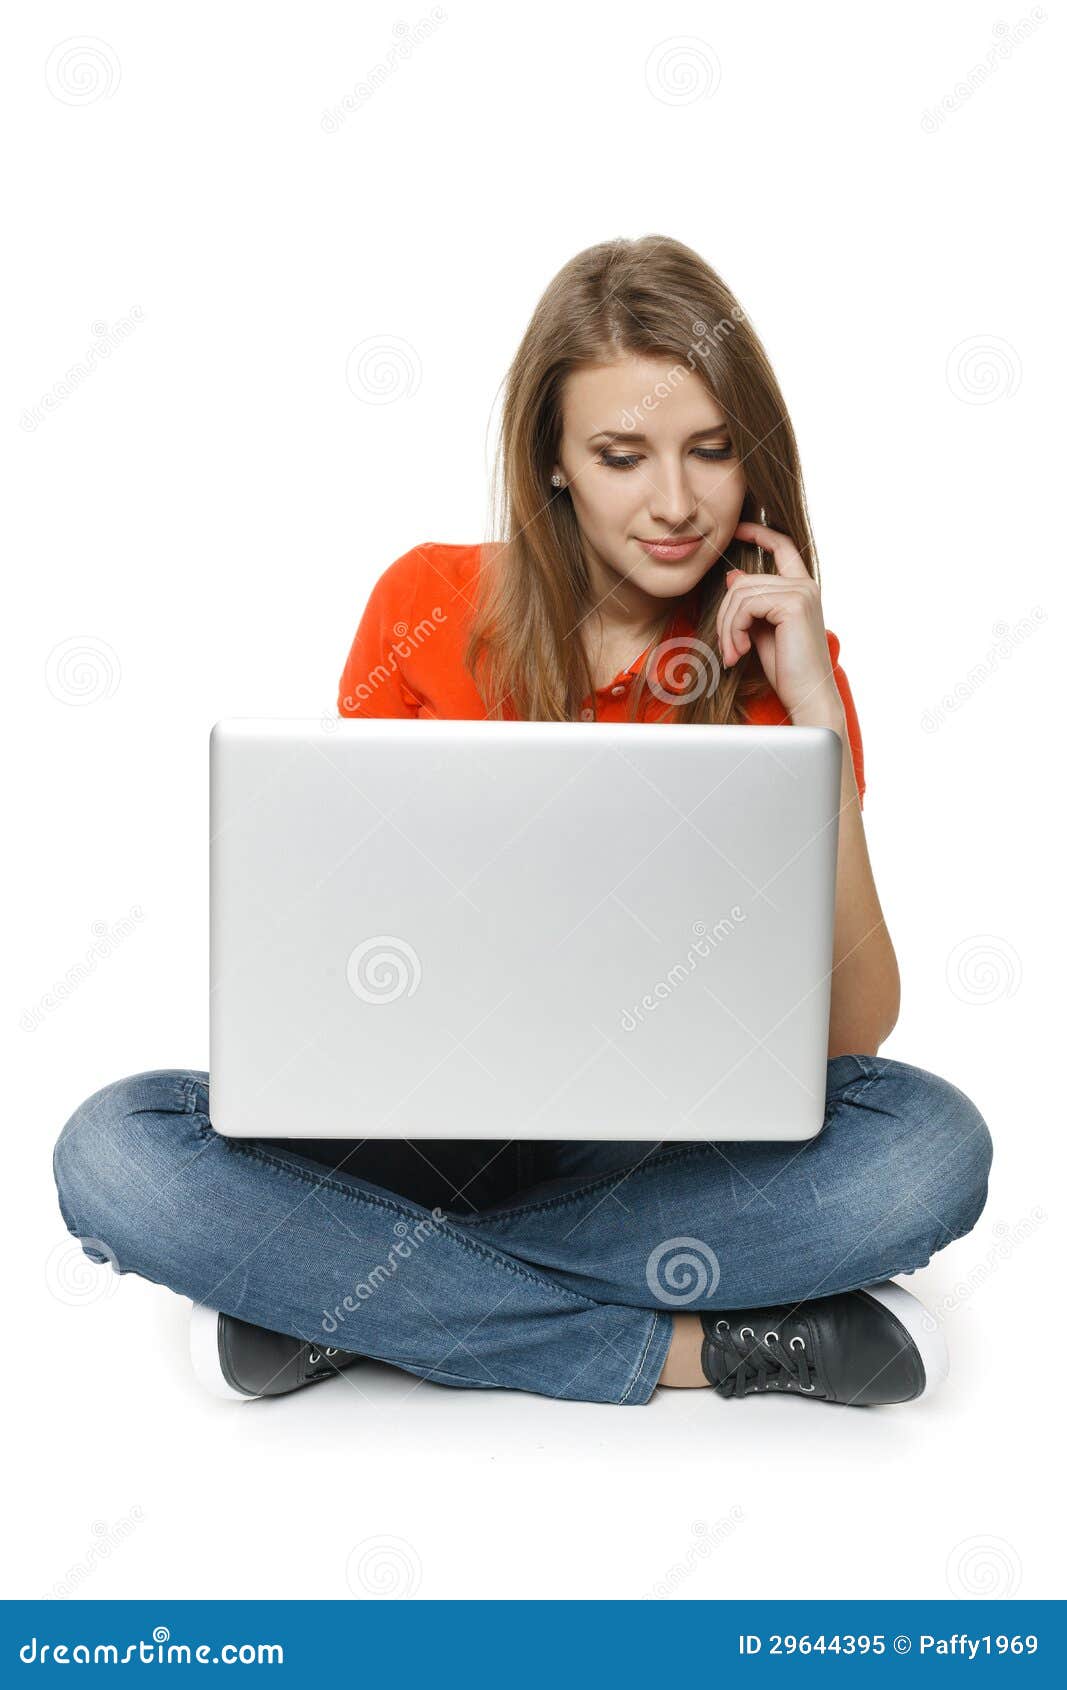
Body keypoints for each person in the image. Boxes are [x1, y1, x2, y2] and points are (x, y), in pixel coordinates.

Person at [53, 235, 992, 1409]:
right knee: (113, 1149)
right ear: (550, 459)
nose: (674, 502)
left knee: (927, 1146)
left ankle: (351, 1297)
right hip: (416, 1143)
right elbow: (343, 956)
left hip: (655, 1163)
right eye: (619, 455)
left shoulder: (778, 660)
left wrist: (815, 719)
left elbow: (852, 1033)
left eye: (710, 452)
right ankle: (699, 1349)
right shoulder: (425, 605)